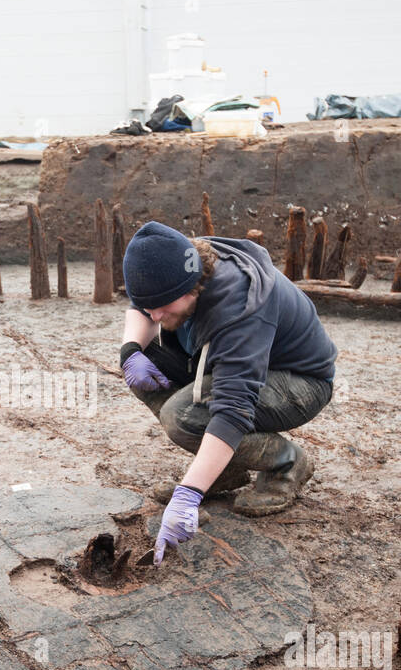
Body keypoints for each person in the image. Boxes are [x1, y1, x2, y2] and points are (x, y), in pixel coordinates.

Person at [118, 222, 338, 563]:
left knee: (183, 416)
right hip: (238, 366)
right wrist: (130, 351)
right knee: (143, 368)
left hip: (300, 382)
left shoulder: (239, 306)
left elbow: (233, 409)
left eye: (163, 306)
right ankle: (224, 469)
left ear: (193, 286)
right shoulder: (178, 261)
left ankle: (287, 463)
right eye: (151, 308)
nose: (156, 316)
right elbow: (143, 305)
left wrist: (189, 494)